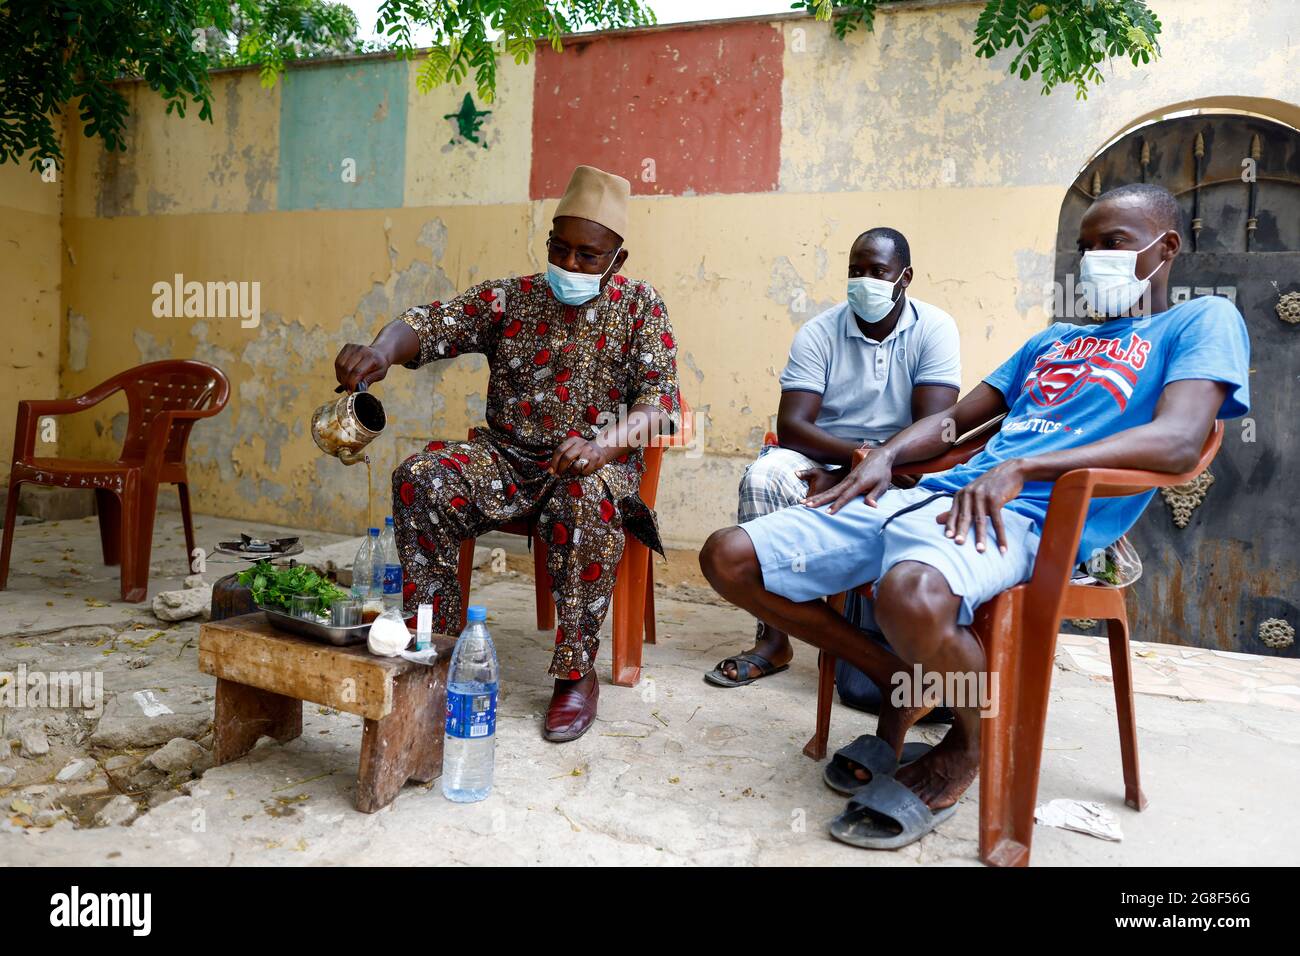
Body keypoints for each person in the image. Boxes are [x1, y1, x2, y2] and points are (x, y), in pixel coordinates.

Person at [699, 183, 1250, 849]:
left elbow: (1180, 440)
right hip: (944, 492)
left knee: (910, 594)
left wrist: (1026, 466)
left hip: (1032, 515)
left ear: (1167, 248)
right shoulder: (1052, 340)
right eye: (1085, 248)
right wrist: (882, 457)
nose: (1094, 260)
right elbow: (956, 422)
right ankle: (890, 674)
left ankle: (970, 743)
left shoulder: (1200, 322)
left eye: (1114, 244)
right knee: (728, 557)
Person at [333, 165, 680, 743]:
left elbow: (660, 403)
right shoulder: (511, 298)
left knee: (587, 495)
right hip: (506, 461)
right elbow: (433, 324)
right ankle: (437, 650)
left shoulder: (640, 307)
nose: (569, 265)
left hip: (595, 468)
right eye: (559, 249)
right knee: (423, 477)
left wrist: (603, 445)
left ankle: (575, 676)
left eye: (587, 256)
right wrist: (378, 352)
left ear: (616, 260)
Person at [705, 227, 961, 687]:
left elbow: (936, 428)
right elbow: (793, 427)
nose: (864, 281)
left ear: (905, 277)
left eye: (877, 272)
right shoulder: (819, 332)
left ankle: (875, 641)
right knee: (764, 477)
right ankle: (773, 638)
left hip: (905, 466)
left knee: (929, 502)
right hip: (824, 457)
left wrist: (878, 463)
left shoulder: (935, 329)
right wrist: (852, 462)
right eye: (855, 271)